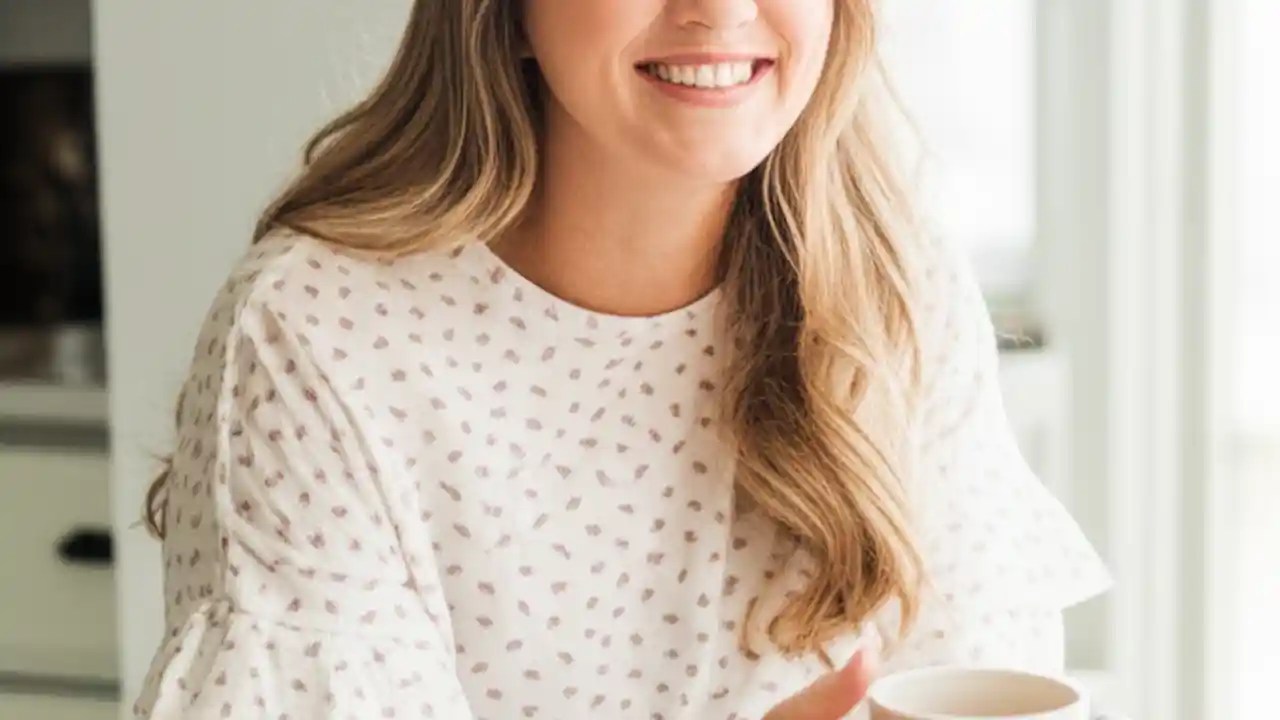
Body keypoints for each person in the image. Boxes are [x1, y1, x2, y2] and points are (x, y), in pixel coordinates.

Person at [133, 0, 1110, 717]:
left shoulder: (894, 290)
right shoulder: (317, 329)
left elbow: (984, 671)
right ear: (503, 14)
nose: (717, 11)